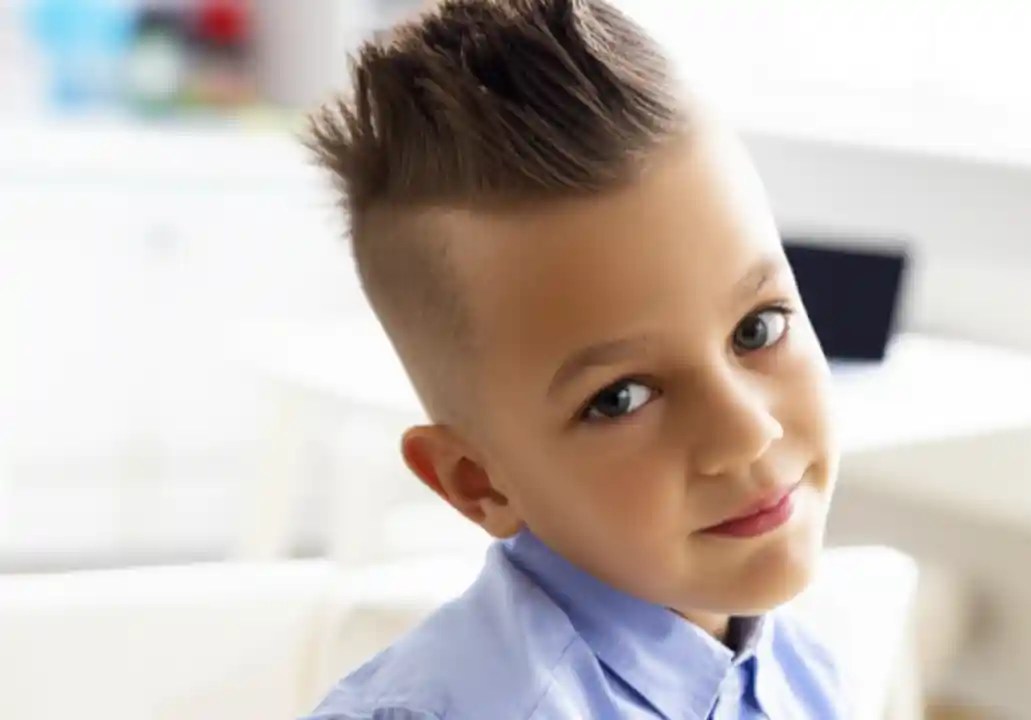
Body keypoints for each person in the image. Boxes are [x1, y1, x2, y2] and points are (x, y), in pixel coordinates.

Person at [301, 1, 844, 717]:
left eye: (757, 328)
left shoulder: (804, 675)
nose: (746, 433)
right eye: (621, 398)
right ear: (477, 483)